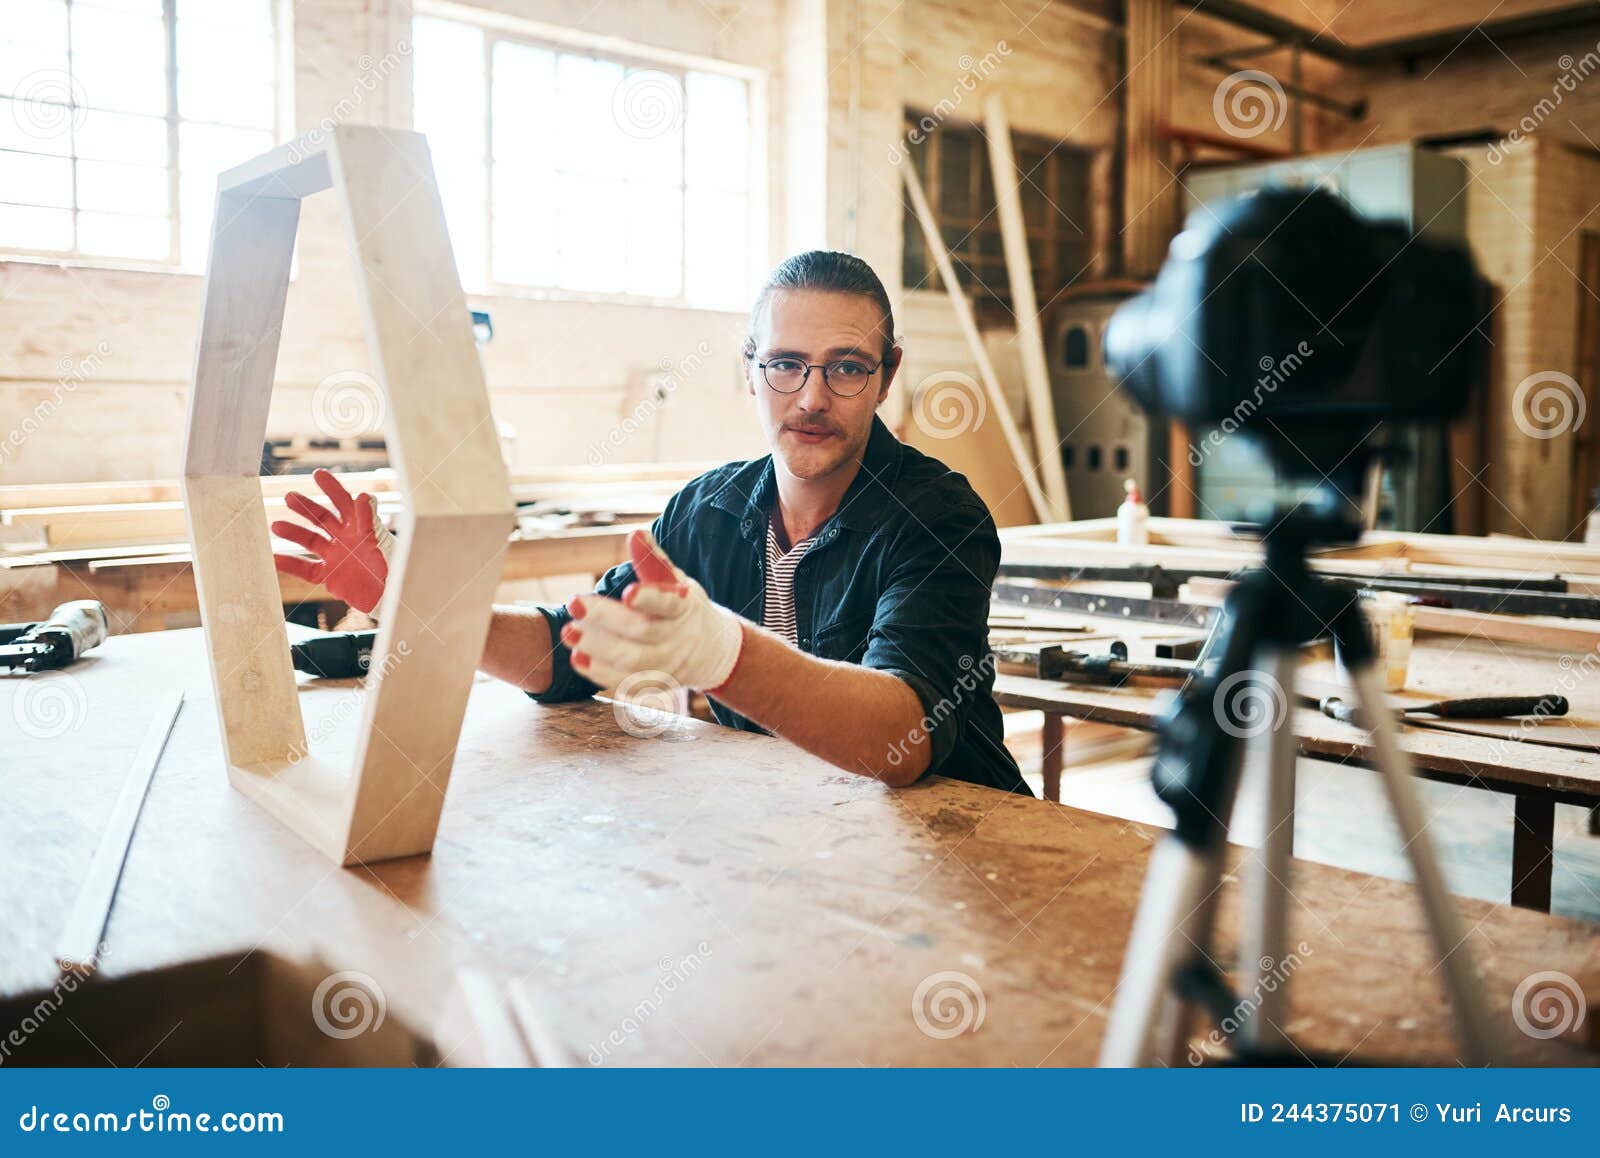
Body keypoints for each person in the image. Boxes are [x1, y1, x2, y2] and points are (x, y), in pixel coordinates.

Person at [274, 251, 1029, 795]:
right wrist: (418, 605)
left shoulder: (937, 517)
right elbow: (569, 653)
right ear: (751, 371)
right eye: (786, 364)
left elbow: (901, 740)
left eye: (847, 366)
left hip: (962, 845)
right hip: (805, 826)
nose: (810, 398)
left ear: (887, 374)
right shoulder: (707, 511)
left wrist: (718, 650)